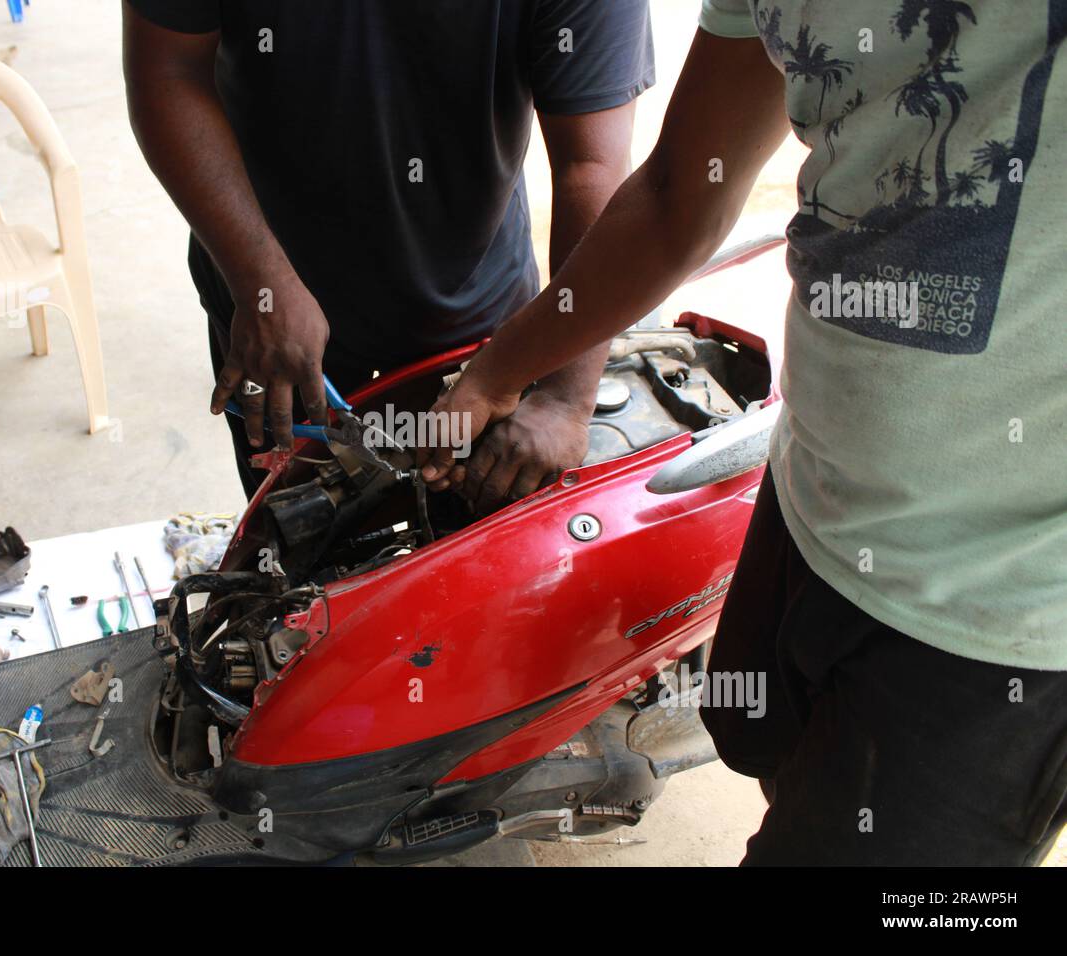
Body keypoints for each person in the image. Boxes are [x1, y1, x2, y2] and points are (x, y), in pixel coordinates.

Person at [419, 0, 1067, 865]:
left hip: (999, 616)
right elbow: (679, 192)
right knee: (765, 748)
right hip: (813, 489)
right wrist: (498, 377)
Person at [123, 0, 655, 500]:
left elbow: (592, 165)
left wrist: (565, 394)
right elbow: (170, 72)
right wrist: (261, 283)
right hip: (269, 304)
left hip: (479, 320)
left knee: (468, 557)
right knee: (296, 547)